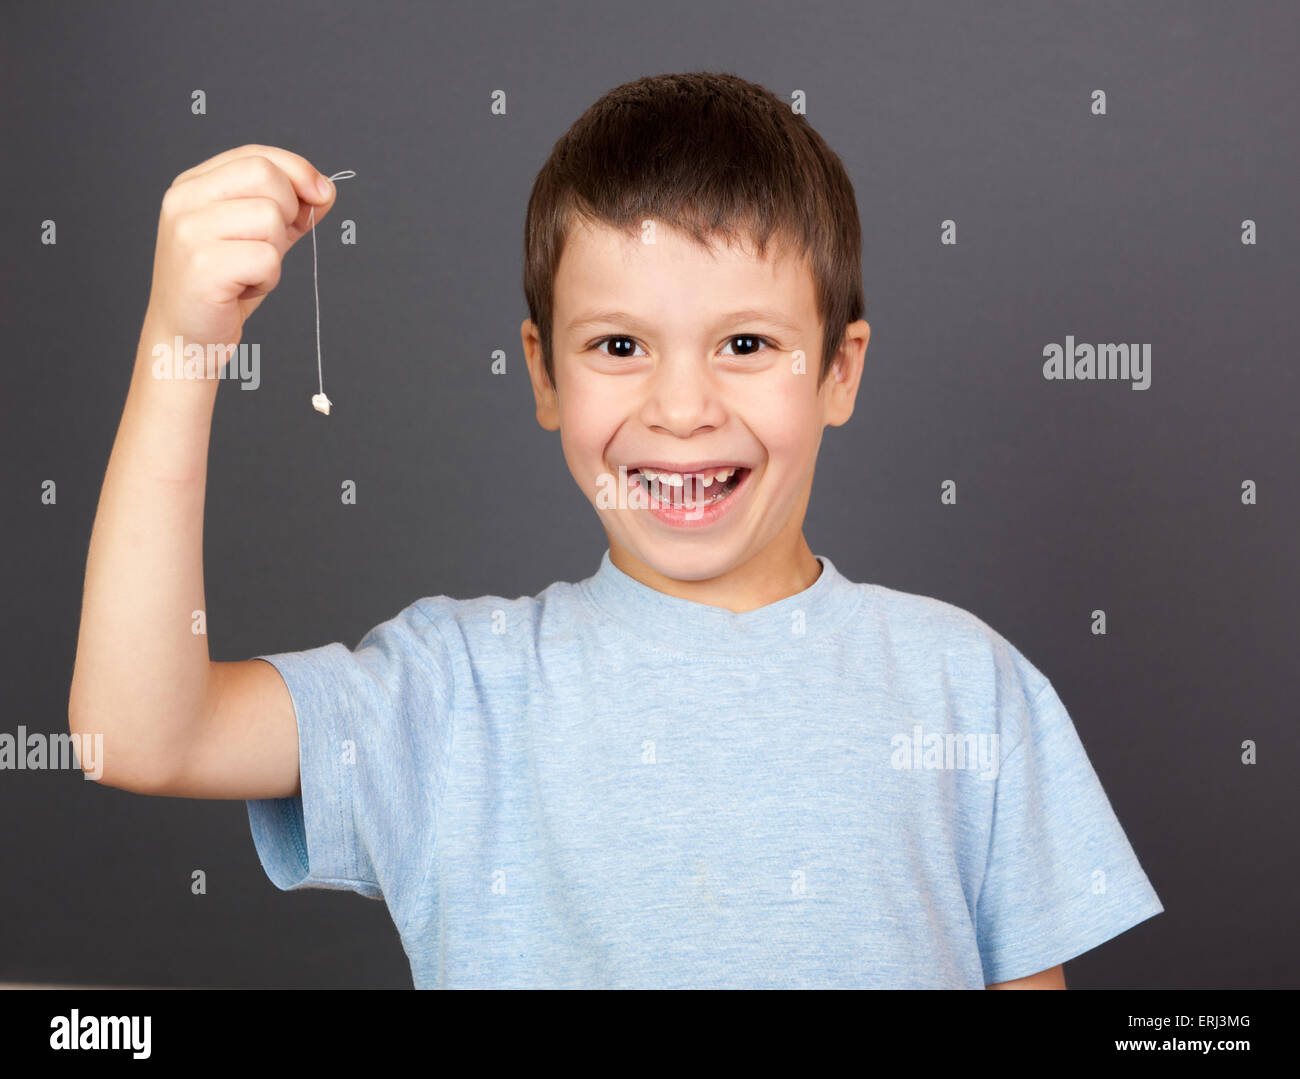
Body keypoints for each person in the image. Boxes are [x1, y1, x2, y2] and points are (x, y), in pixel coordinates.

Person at [68, 71, 1162, 989]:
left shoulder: (967, 689)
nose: (680, 409)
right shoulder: (452, 694)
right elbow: (135, 731)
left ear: (838, 368)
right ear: (542, 371)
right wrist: (183, 342)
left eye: (743, 344)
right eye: (619, 346)